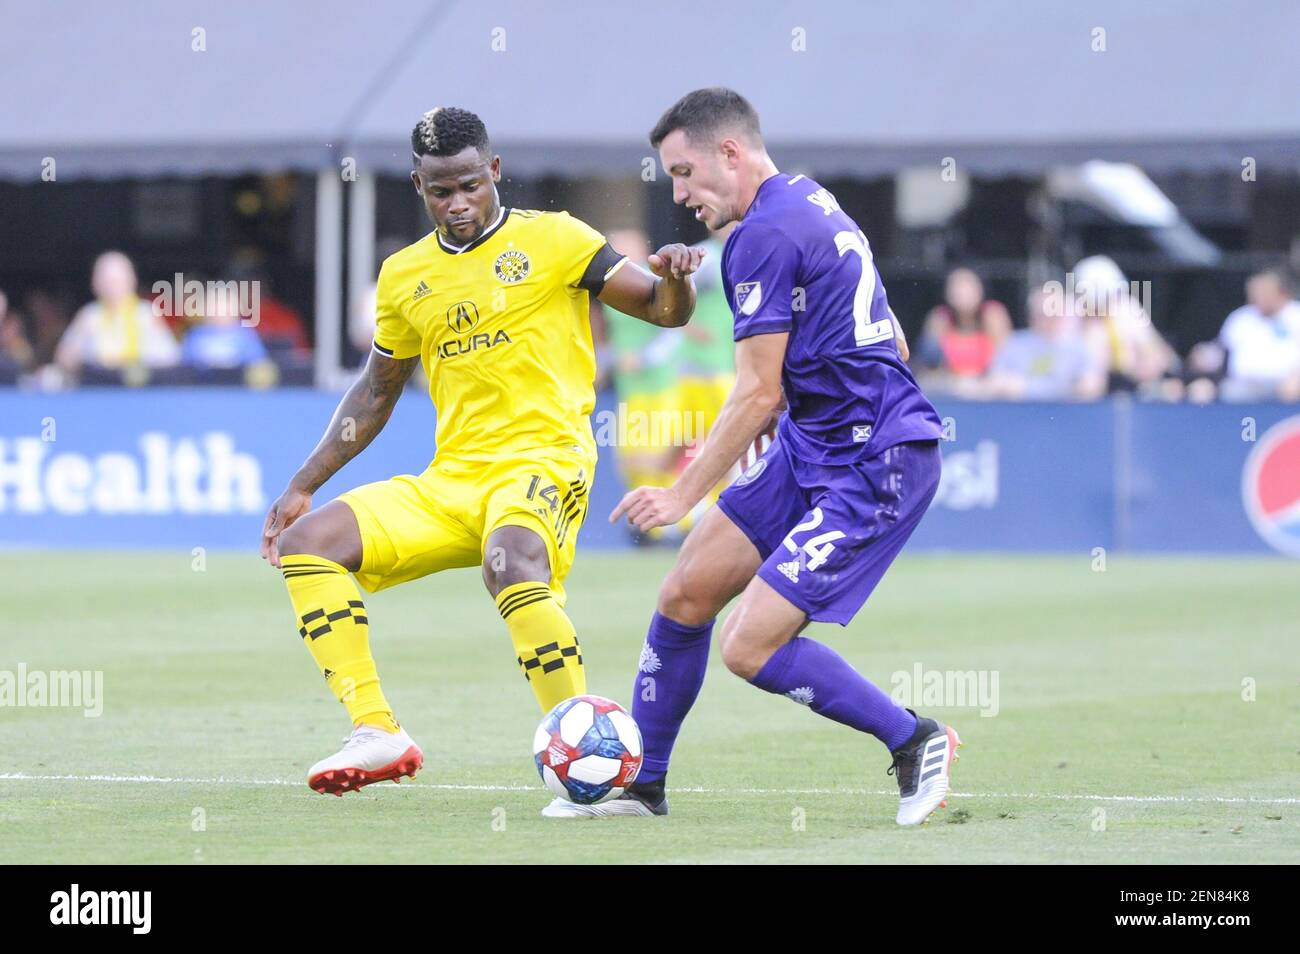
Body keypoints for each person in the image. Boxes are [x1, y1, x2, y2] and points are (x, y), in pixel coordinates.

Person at [258, 107, 703, 798]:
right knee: (309, 545)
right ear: (418, 186)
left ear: (494, 171)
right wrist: (301, 484)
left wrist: (675, 277)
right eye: (441, 191)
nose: (459, 202)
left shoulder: (556, 239)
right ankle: (378, 731)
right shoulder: (404, 277)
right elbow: (374, 395)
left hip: (544, 460)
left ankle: (583, 749)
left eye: (470, 184)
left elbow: (663, 311)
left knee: (511, 563)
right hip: (453, 479)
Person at [544, 88, 959, 826]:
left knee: (748, 647)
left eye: (682, 173)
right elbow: (886, 335)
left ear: (729, 152)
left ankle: (914, 738)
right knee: (686, 594)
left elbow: (755, 393)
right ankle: (646, 785)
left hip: (876, 463)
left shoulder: (758, 238)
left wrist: (680, 493)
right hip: (816, 442)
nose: (678, 194)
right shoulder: (806, 198)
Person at [55, 251, 181, 375]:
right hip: (98, 387)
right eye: (106, 280)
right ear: (94, 283)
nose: (111, 287)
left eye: (116, 280)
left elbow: (171, 358)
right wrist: (81, 340)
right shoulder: (89, 315)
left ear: (132, 280)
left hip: (141, 389)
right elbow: (63, 361)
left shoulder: (146, 313)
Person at [986, 288, 1106, 400]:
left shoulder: (1080, 347)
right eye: (1043, 314)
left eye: (1054, 312)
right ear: (1032, 317)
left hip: (1067, 416)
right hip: (1020, 415)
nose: (1050, 319)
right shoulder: (1014, 344)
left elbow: (1092, 386)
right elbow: (995, 380)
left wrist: (1028, 388)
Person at [1215, 266, 1300, 402]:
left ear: (1282, 292)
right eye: (1255, 292)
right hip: (1244, 385)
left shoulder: (1296, 315)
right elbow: (1219, 353)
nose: (1258, 296)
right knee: (1224, 390)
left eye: (1264, 291)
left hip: (1289, 384)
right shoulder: (1240, 317)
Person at [917, 266, 1011, 386]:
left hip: (988, 387)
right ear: (947, 292)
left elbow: (1006, 359)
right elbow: (931, 366)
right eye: (957, 287)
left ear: (980, 289)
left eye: (968, 286)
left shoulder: (993, 315)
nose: (963, 293)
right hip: (951, 387)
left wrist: (978, 382)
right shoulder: (939, 319)